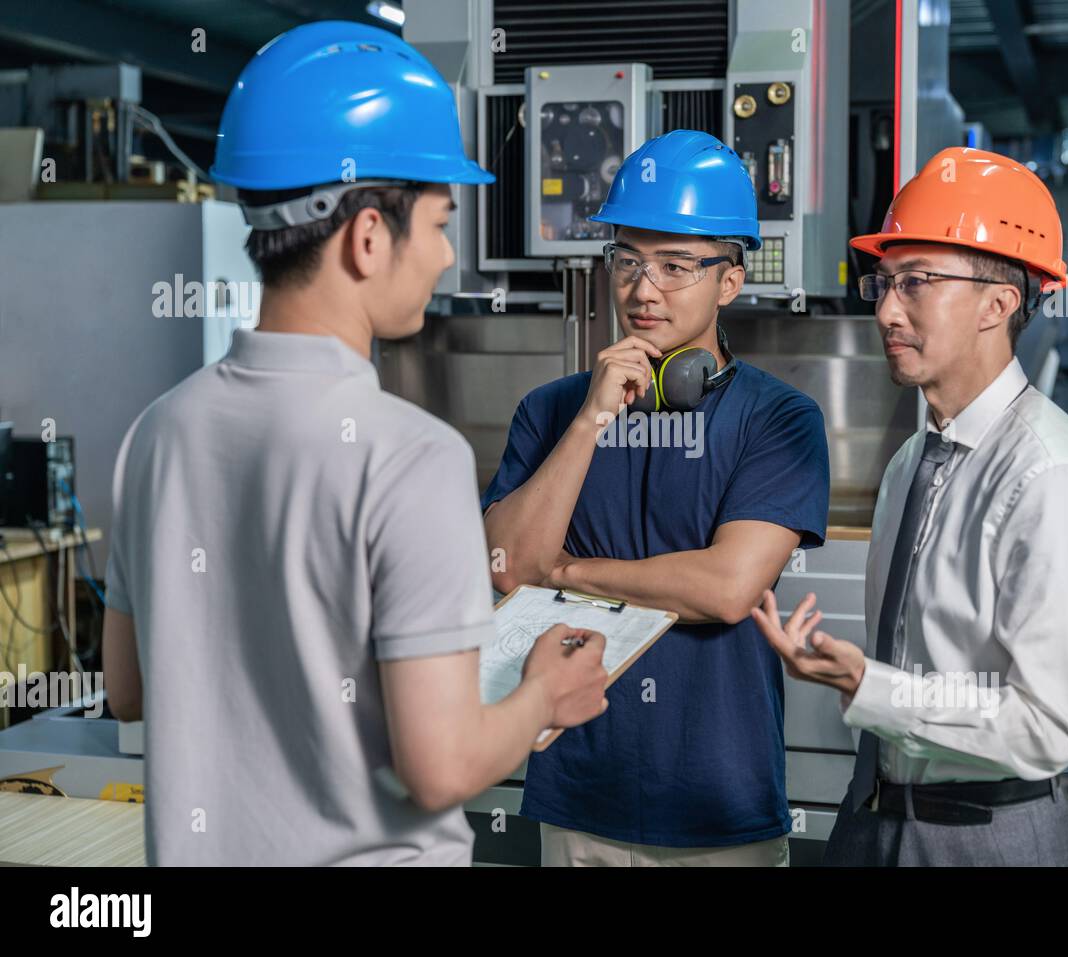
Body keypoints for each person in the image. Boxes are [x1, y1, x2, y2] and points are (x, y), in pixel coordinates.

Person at [101, 20, 607, 866]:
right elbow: (440, 765)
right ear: (368, 235)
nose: (446, 255)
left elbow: (127, 691)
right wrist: (541, 696)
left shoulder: (158, 432)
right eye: (442, 224)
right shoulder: (411, 456)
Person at [752, 147, 1068, 866]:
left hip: (989, 837)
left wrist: (869, 685)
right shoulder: (910, 463)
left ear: (999, 302)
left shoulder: (1046, 476)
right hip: (878, 816)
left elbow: (1046, 728)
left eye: (917, 283)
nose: (887, 309)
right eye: (885, 282)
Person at [483, 130, 831, 866]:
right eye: (629, 261)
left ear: (729, 281)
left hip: (719, 806)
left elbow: (727, 587)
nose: (644, 289)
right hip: (578, 793)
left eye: (676, 266)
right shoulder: (551, 412)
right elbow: (510, 564)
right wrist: (590, 420)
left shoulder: (779, 419)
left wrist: (572, 573)